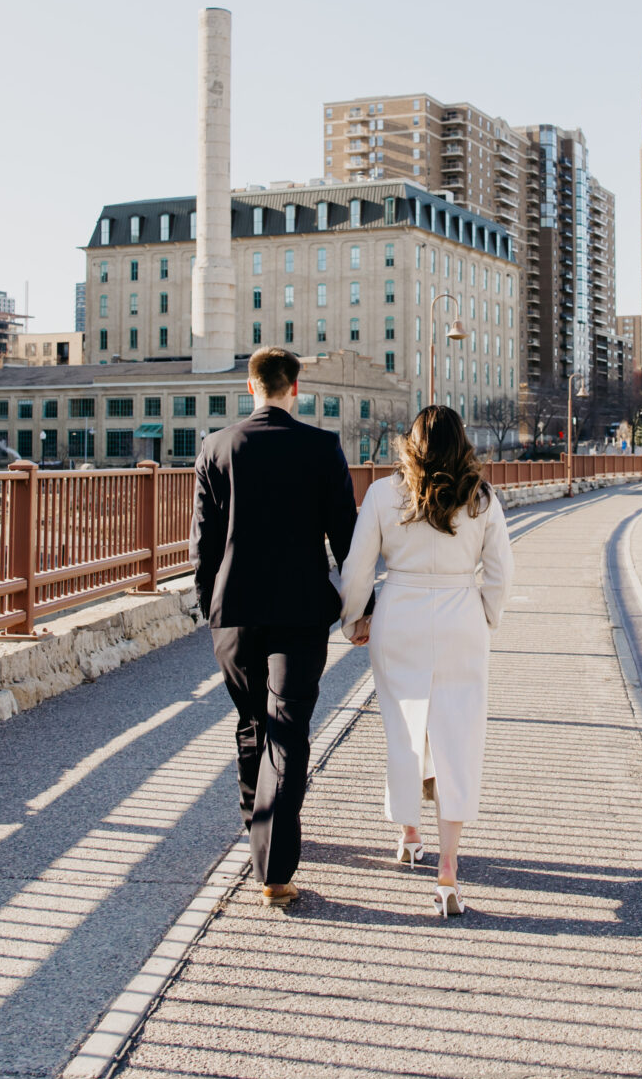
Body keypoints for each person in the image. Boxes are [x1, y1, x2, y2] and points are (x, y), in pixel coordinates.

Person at [191, 347, 358, 908]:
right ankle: (275, 869)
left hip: (232, 612)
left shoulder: (217, 447)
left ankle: (257, 832)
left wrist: (206, 606)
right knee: (287, 729)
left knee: (250, 724)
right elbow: (346, 540)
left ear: (250, 386)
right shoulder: (321, 447)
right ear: (295, 389)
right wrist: (357, 607)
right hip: (300, 612)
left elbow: (205, 545)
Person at [340, 405, 513, 918]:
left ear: (410, 443)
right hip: (461, 616)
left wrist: (355, 619)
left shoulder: (382, 493)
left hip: (401, 614)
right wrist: (487, 617)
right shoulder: (481, 497)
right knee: (458, 737)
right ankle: (448, 871)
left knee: (404, 727)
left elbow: (356, 567)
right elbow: (501, 573)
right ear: (462, 443)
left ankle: (410, 833)